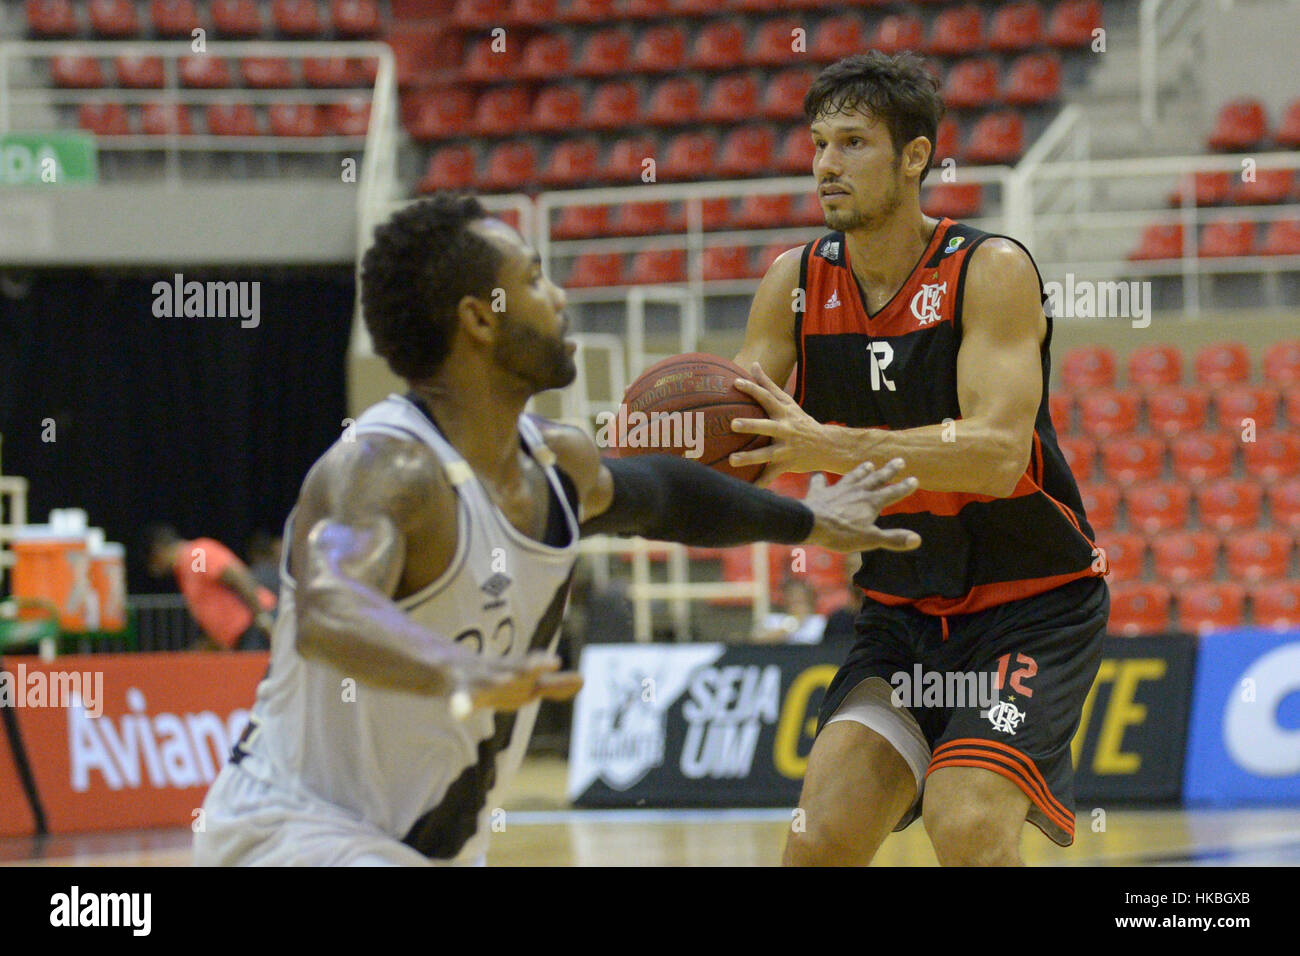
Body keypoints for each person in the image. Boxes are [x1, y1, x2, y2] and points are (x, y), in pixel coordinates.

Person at [191, 192, 921, 867]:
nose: (560, 296)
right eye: (537, 280)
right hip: (290, 833)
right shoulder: (383, 470)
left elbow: (666, 494)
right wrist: (458, 669)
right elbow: (327, 608)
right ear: (480, 318)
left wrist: (810, 522)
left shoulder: (557, 463)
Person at [728, 52, 1109, 866]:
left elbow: (998, 456)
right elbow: (742, 445)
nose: (827, 164)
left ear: (916, 157)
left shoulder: (989, 270)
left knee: (966, 821)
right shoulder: (791, 282)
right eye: (819, 143)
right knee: (818, 838)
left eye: (854, 143)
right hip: (901, 614)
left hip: (1031, 607)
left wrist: (827, 448)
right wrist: (653, 466)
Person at [145, 525, 276, 651]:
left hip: (255, 628)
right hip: (243, 636)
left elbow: (239, 578)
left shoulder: (196, 556)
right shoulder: (184, 569)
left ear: (158, 550)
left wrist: (262, 618)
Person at [753, 578, 826, 644]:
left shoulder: (819, 622)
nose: (797, 604)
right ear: (785, 599)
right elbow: (756, 641)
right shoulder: (772, 619)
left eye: (800, 600)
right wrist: (791, 624)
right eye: (793, 599)